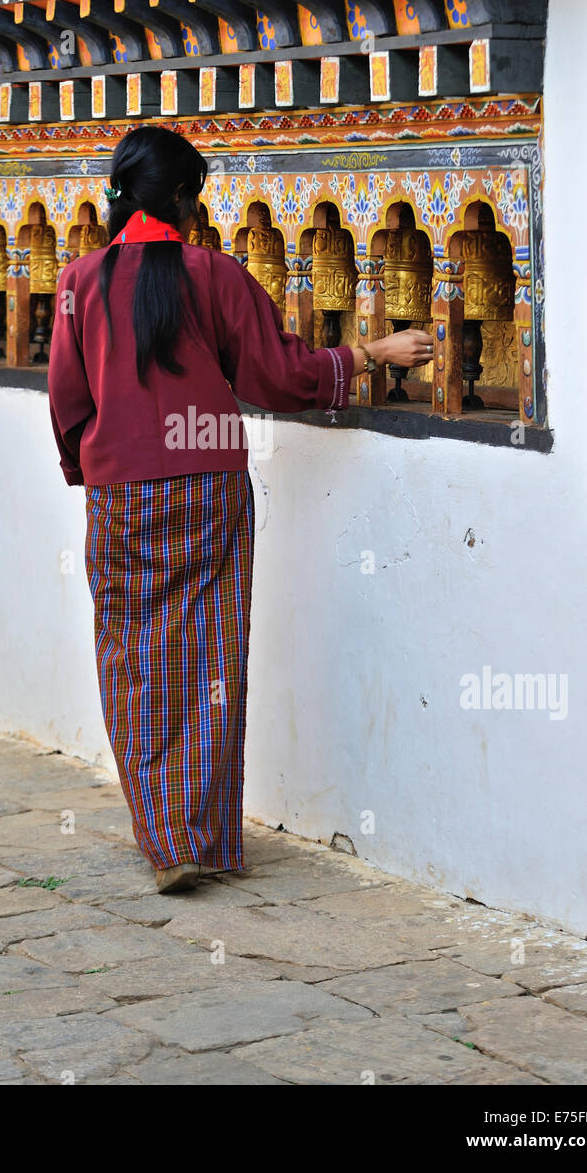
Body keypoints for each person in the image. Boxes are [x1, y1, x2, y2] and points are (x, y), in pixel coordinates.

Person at [47, 125, 432, 893]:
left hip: (120, 491)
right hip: (208, 487)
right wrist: (370, 354)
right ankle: (202, 835)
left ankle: (163, 838)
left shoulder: (78, 281)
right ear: (186, 200)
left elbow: (68, 401)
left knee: (131, 660)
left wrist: (89, 468)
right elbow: (280, 374)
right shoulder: (214, 275)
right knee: (209, 660)